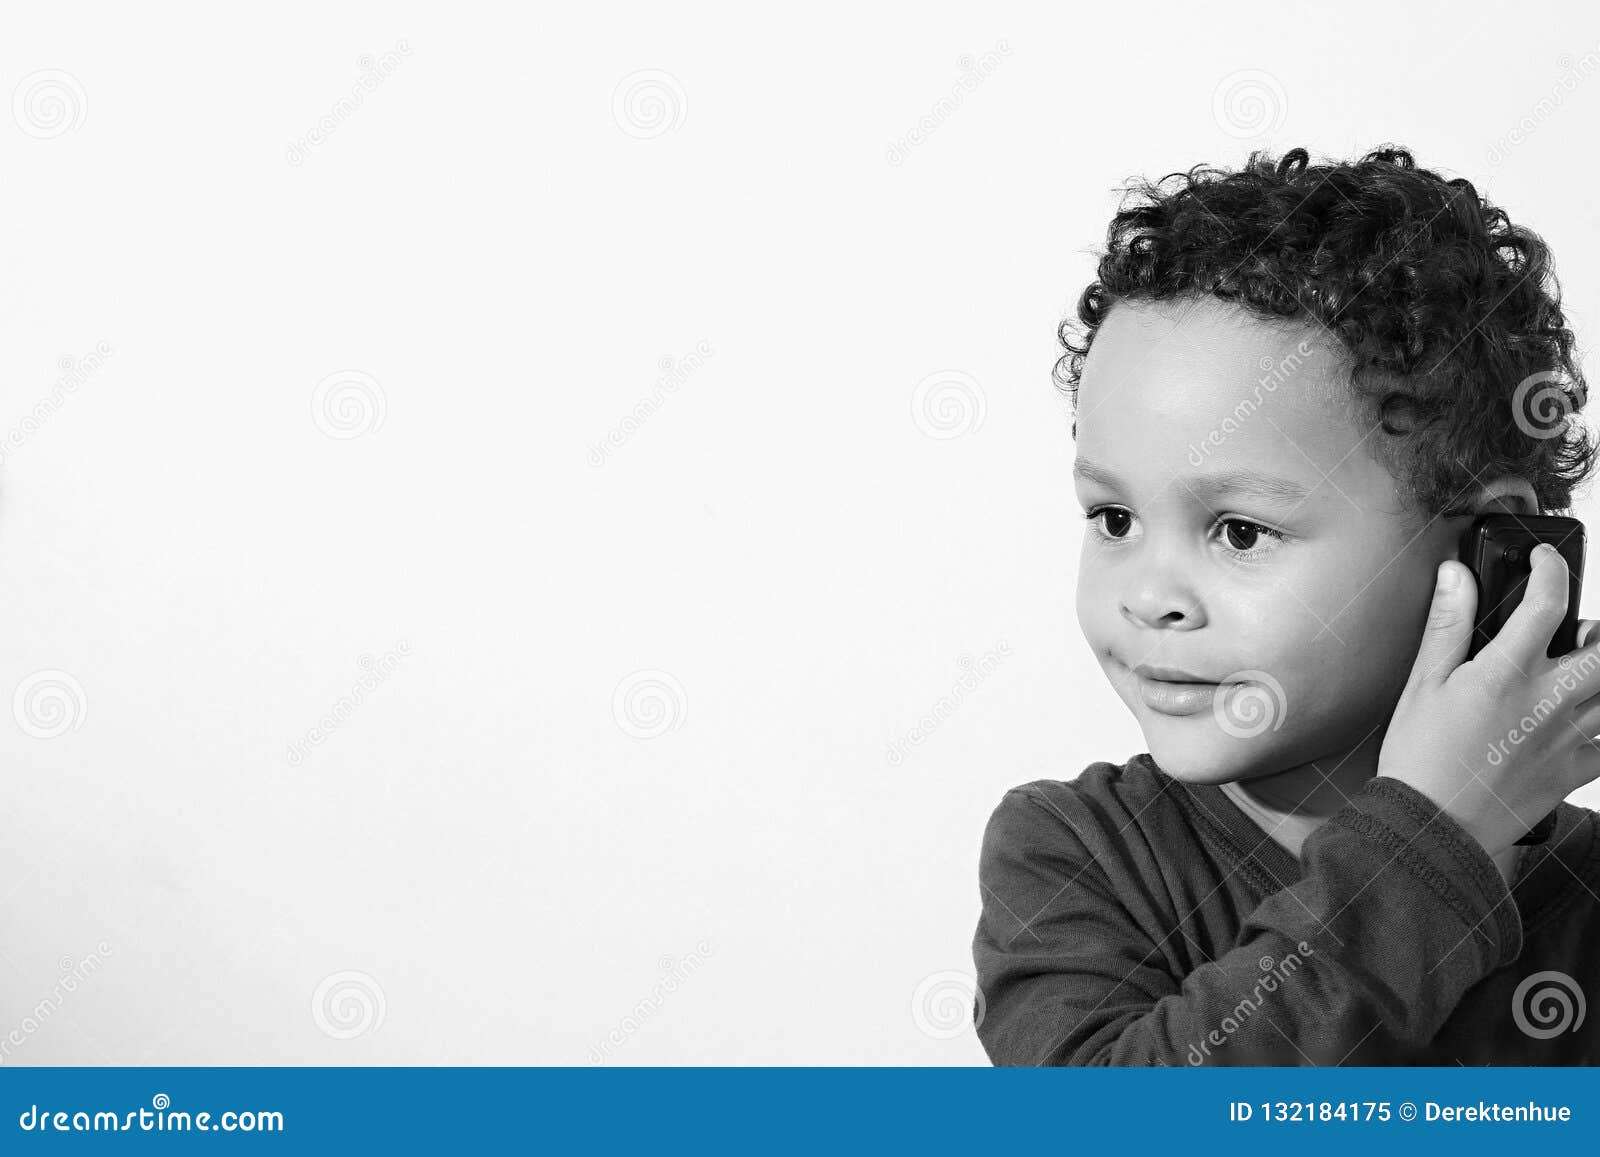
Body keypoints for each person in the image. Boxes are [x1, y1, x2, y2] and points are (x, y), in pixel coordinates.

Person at [972, 146, 1600, 1065]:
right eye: (1113, 518)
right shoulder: (1080, 857)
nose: (1150, 597)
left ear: (1489, 549)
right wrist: (1436, 839)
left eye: (1238, 531)